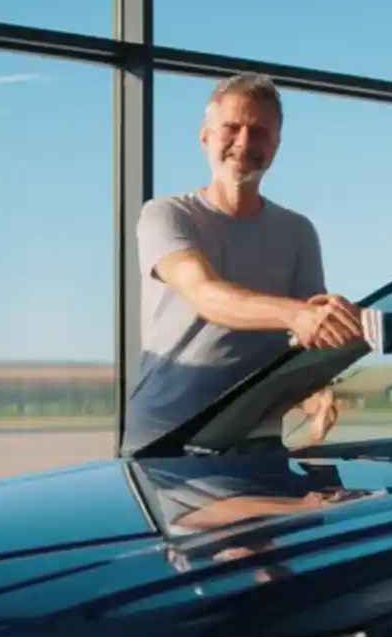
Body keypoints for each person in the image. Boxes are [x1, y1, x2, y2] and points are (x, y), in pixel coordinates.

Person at [124, 73, 364, 454]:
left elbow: (304, 339)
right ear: (205, 138)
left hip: (257, 439)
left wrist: (316, 394)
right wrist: (297, 315)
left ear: (276, 145)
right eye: (231, 128)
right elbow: (205, 294)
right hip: (167, 436)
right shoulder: (166, 215)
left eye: (259, 132)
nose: (244, 142)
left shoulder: (298, 232)